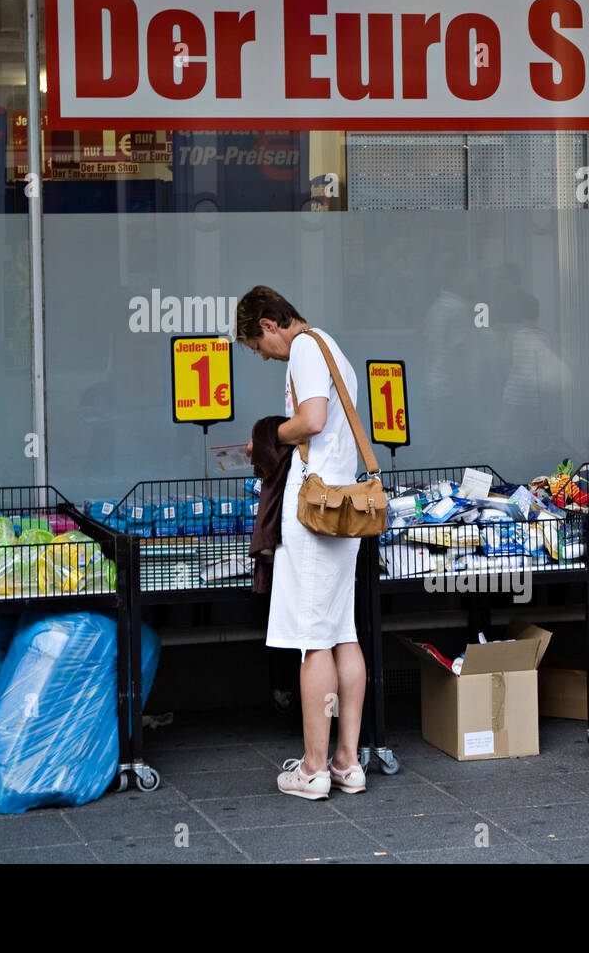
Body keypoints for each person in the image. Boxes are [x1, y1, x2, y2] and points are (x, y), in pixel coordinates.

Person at [236, 285, 367, 801]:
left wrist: (268, 436)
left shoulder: (306, 349)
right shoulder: (332, 347)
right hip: (344, 506)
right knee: (343, 634)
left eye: (258, 346)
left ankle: (313, 769)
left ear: (269, 325)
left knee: (314, 642)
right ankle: (347, 762)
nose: (264, 356)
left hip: (314, 509)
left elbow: (312, 420)